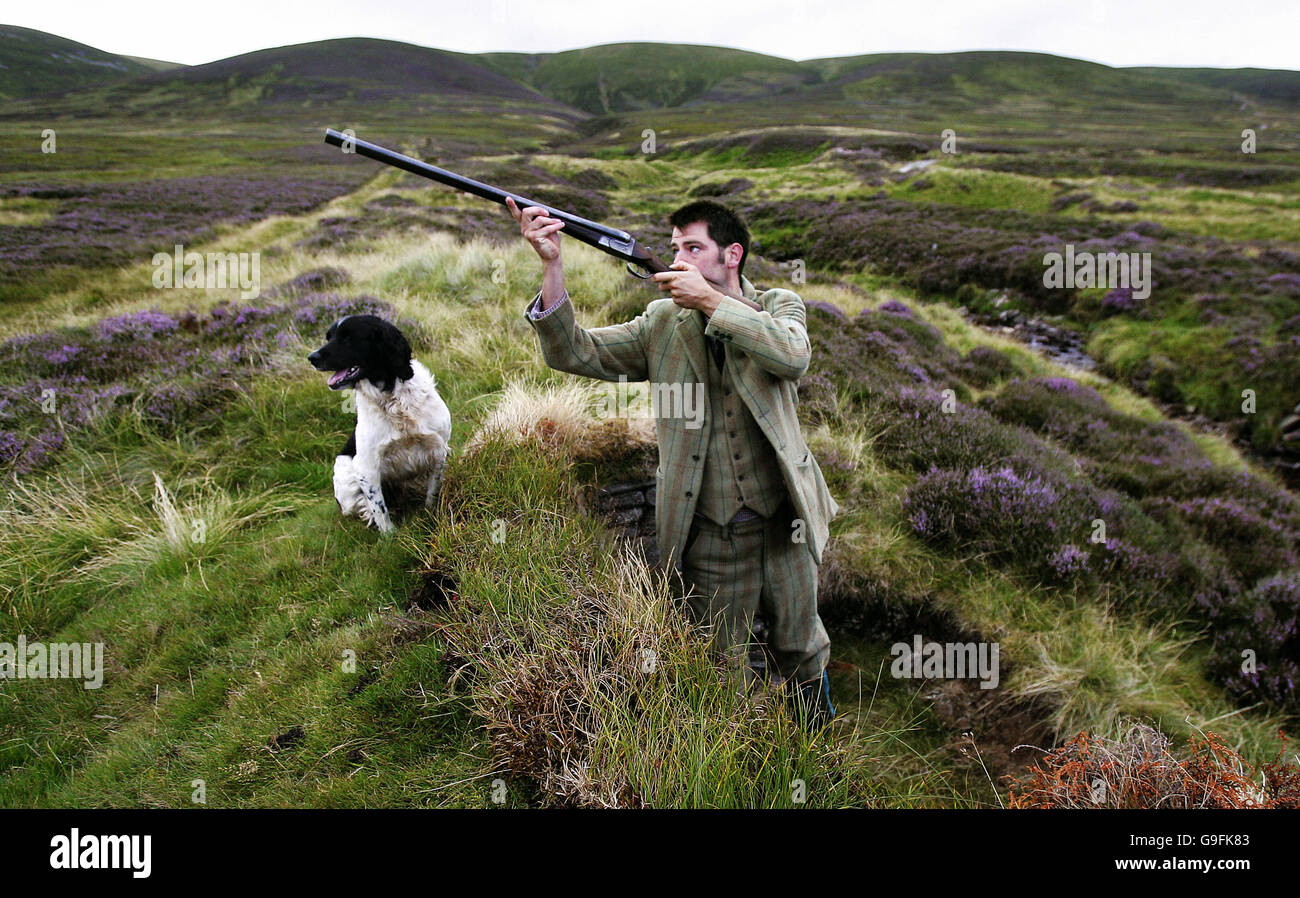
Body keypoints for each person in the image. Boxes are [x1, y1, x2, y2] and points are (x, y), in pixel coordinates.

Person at [508, 195, 840, 731]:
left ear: (731, 255)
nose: (679, 259)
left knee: (803, 648)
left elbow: (791, 356)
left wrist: (711, 303)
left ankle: (820, 750)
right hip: (710, 533)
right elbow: (575, 353)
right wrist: (552, 264)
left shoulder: (780, 304)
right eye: (673, 249)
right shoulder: (660, 322)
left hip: (787, 525)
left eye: (693, 248)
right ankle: (741, 765)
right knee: (720, 668)